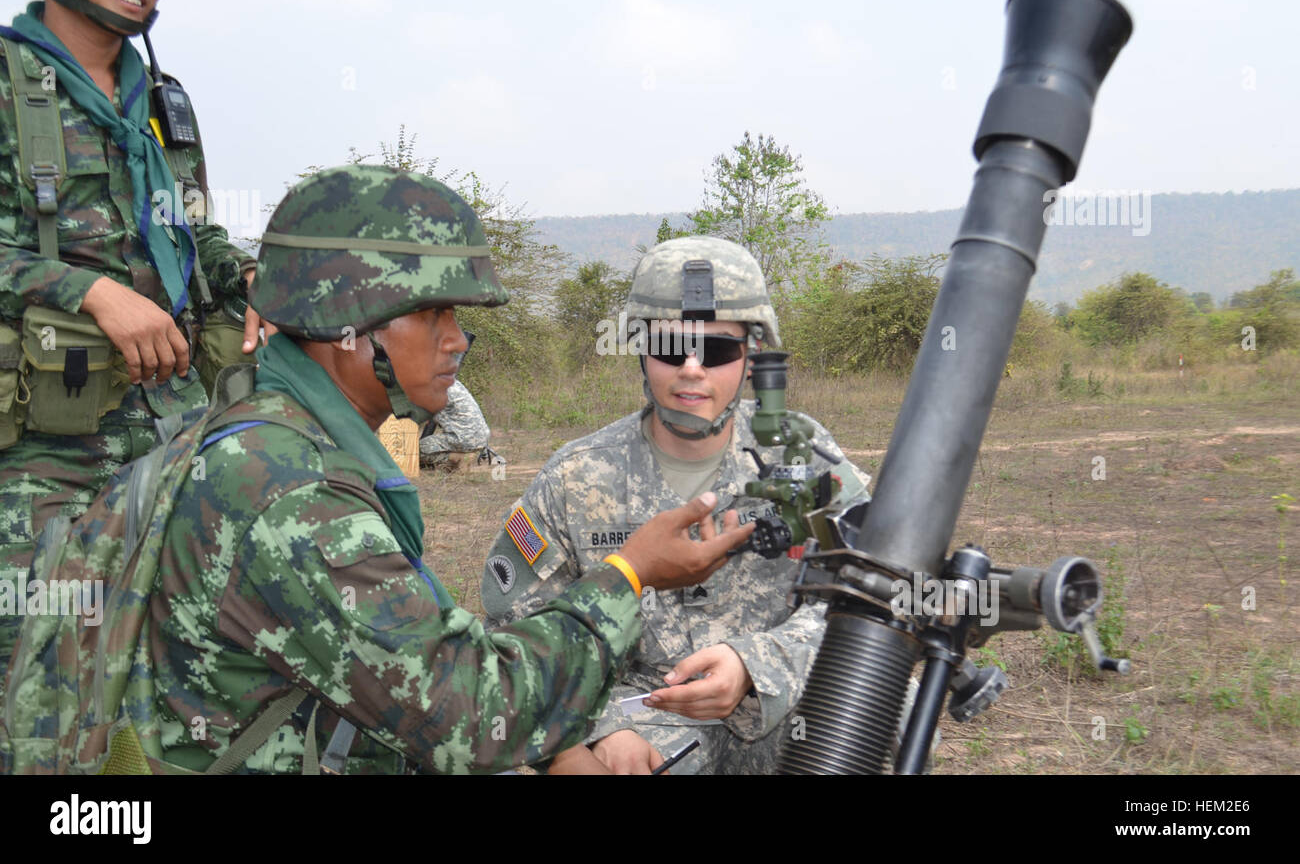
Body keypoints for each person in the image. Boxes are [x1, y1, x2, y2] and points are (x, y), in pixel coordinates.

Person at [135, 165, 752, 774]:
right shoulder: (294, 491)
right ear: (347, 326)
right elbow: (474, 718)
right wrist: (630, 572)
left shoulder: (281, 431)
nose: (458, 340)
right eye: (436, 315)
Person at [481, 236, 871, 774]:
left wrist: (754, 665)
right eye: (670, 346)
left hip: (786, 706)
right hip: (645, 717)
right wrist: (596, 735)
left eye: (716, 351)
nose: (691, 369)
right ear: (641, 350)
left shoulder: (806, 457)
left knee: (878, 725)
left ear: (752, 357)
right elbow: (515, 635)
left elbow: (877, 594)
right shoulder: (575, 477)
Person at [0, 0, 264, 686]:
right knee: (38, 665)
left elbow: (192, 232)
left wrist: (251, 284)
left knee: (180, 658)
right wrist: (90, 292)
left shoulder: (162, 103)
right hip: (44, 443)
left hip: (175, 421)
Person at [418, 378, 494, 469]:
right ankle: (464, 455)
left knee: (414, 451)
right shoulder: (451, 382)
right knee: (424, 446)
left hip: (463, 438)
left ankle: (457, 458)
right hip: (481, 436)